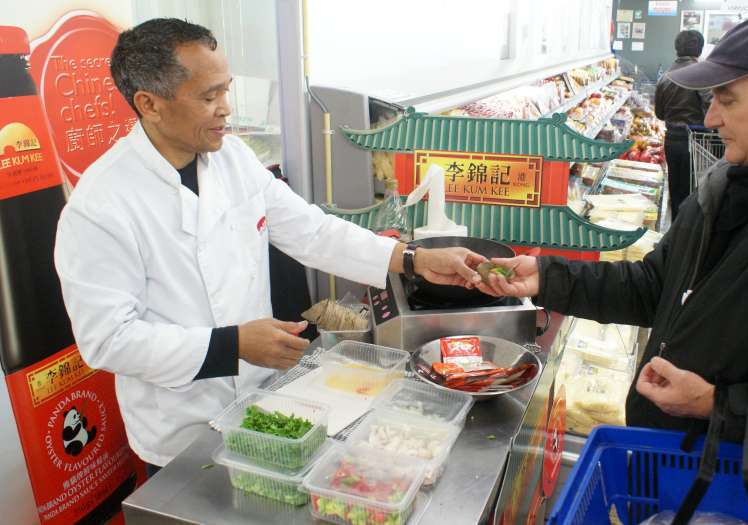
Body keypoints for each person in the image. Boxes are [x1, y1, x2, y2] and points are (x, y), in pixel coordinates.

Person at [54, 19, 486, 470]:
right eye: (208, 96)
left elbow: (312, 231)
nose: (226, 109)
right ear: (150, 104)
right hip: (181, 427)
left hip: (265, 398)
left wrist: (414, 259)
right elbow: (108, 340)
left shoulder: (233, 159)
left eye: (227, 90)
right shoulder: (100, 206)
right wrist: (230, 345)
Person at [477, 11, 748, 469]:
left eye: (727, 99)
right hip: (672, 464)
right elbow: (655, 286)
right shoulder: (728, 184)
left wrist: (720, 405)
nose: (711, 116)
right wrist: (545, 277)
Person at [655, 30, 710, 220]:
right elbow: (710, 106)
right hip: (695, 141)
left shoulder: (665, 77)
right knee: (692, 191)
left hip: (671, 140)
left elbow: (659, 114)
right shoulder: (702, 75)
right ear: (700, 49)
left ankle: (675, 231)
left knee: (675, 189)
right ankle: (686, 234)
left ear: (677, 49)